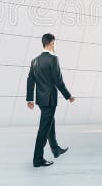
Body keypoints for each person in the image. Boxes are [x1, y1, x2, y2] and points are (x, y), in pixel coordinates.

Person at [26, 33, 75, 167]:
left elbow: (30, 80)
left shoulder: (34, 60)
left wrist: (29, 99)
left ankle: (55, 149)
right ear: (50, 43)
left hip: (41, 100)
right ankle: (38, 159)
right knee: (43, 129)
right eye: (54, 43)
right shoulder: (53, 59)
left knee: (49, 123)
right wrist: (68, 95)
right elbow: (58, 81)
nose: (54, 46)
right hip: (50, 99)